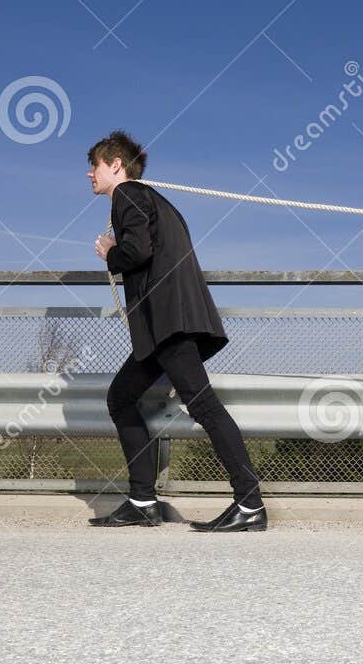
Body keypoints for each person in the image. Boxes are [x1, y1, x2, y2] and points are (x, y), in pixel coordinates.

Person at [87, 130, 266, 532]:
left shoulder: (128, 195)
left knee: (204, 407)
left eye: (94, 165)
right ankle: (142, 500)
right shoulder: (156, 201)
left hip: (169, 324)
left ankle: (250, 504)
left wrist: (109, 252)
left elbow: (138, 252)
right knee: (121, 397)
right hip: (162, 326)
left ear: (115, 165)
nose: (89, 174)